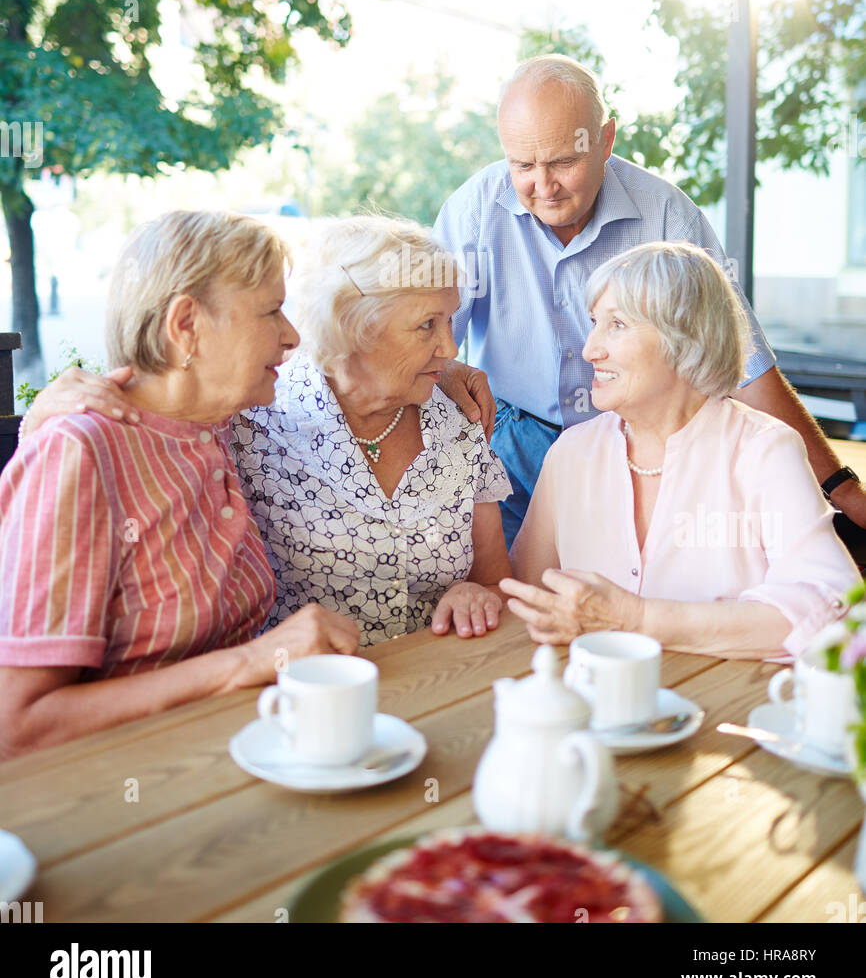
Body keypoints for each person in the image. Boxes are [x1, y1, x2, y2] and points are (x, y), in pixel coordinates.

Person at [434, 54, 866, 548]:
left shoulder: (666, 215)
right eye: (523, 165)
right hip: (509, 440)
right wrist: (447, 369)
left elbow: (745, 369)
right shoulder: (473, 209)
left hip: (633, 445)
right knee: (511, 597)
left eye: (563, 162)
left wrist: (840, 488)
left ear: (606, 139)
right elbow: (428, 336)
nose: (544, 186)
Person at [23, 216, 513, 650]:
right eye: (426, 325)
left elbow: (495, 581)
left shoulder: (455, 415)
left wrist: (435, 367)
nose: (450, 346)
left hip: (425, 683)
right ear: (351, 328)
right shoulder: (245, 416)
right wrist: (46, 419)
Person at [0, 212, 358, 759]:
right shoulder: (80, 452)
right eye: (271, 311)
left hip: (236, 755)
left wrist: (445, 371)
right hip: (122, 792)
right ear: (186, 324)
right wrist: (254, 660)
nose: (291, 335)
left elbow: (352, 367)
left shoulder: (215, 421)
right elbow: (17, 726)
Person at [501, 242, 860, 661]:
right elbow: (529, 600)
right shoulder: (573, 453)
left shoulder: (764, 450)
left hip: (727, 710)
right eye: (595, 322)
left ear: (687, 337)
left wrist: (636, 619)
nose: (589, 349)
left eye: (616, 325)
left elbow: (833, 614)